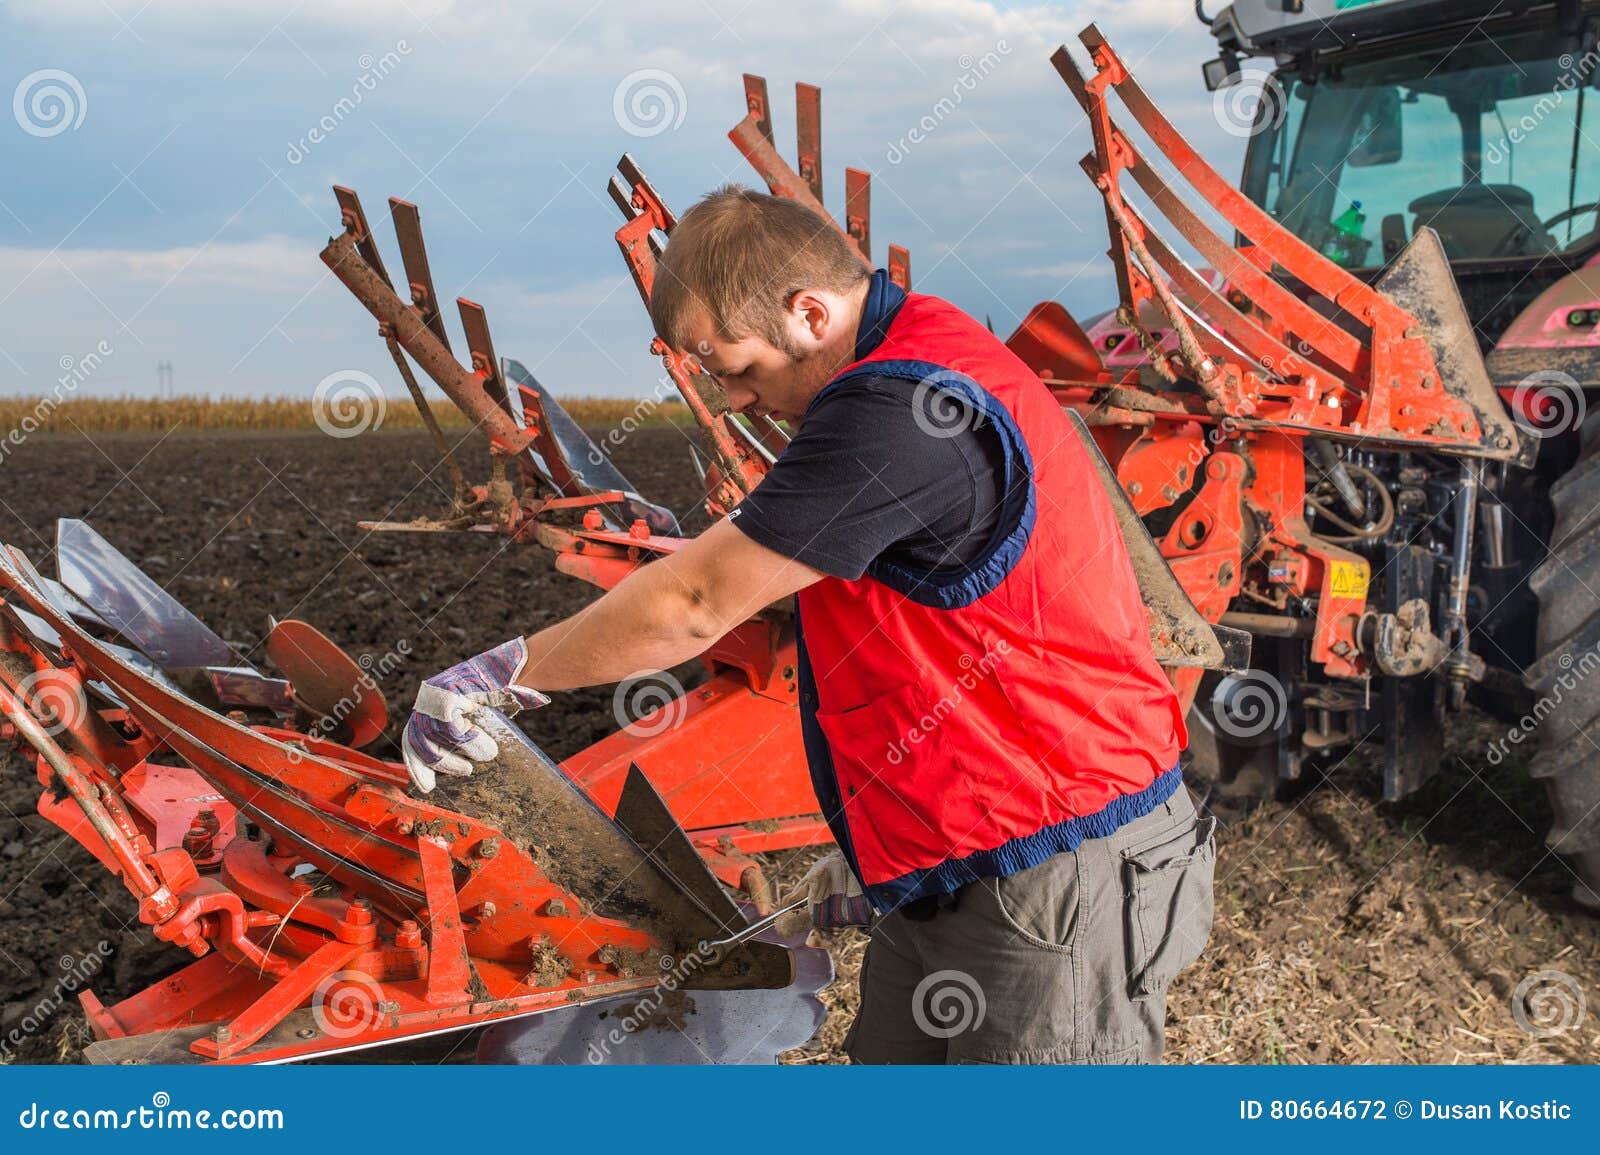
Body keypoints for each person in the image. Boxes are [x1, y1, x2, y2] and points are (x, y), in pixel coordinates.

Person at [401, 186, 1215, 1064]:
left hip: (1059, 870)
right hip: (963, 862)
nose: (742, 400)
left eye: (741, 369)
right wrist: (883, 839)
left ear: (810, 311)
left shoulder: (906, 410)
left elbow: (697, 602)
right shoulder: (905, 355)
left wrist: (505, 670)